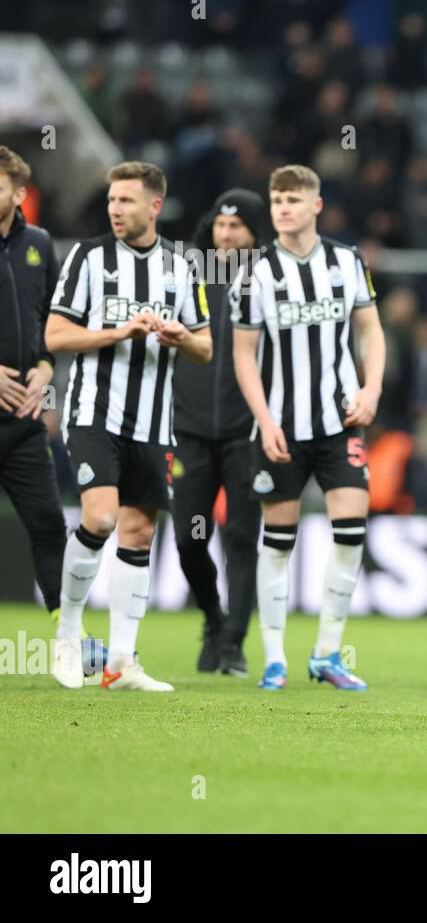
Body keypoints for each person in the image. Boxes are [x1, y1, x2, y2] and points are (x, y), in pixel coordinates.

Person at [46, 161, 213, 691]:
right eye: (111, 200)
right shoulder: (88, 257)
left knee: (139, 532)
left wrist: (181, 338)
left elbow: (207, 347)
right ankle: (68, 639)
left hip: (153, 422)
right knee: (99, 518)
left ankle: (122, 663)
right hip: (94, 412)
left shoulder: (182, 267)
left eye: (126, 201)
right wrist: (118, 332)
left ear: (154, 206)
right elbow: (55, 335)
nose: (115, 209)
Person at [230, 164, 385, 692]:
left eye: (293, 200)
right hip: (281, 426)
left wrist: (371, 389)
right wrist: (263, 419)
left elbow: (372, 331)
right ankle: (275, 658)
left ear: (316, 205)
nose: (283, 208)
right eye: (277, 200)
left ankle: (326, 654)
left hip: (340, 422)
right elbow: (244, 355)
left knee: (351, 531)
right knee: (278, 541)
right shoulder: (255, 272)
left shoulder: (347, 261)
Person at [0, 146, 96, 677]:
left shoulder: (38, 245)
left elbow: (52, 322)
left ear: (19, 194)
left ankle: (68, 637)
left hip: (23, 419)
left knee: (46, 524)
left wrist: (44, 368)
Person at [172, 189, 268, 675]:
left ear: (254, 232)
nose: (226, 234)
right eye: (220, 225)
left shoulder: (270, 277)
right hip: (189, 430)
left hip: (246, 432)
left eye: (237, 226)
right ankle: (213, 617)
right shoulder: (186, 273)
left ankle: (233, 642)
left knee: (242, 538)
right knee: (189, 538)